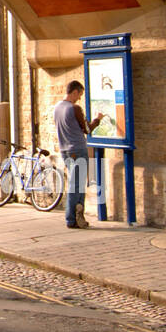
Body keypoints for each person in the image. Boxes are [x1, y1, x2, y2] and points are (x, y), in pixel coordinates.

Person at [53, 80, 103, 229]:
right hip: (78, 150)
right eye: (79, 94)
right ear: (74, 92)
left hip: (65, 150)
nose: (79, 98)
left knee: (78, 184)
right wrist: (98, 119)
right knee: (76, 186)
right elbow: (87, 129)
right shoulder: (74, 108)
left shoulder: (57, 107)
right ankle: (71, 219)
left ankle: (78, 214)